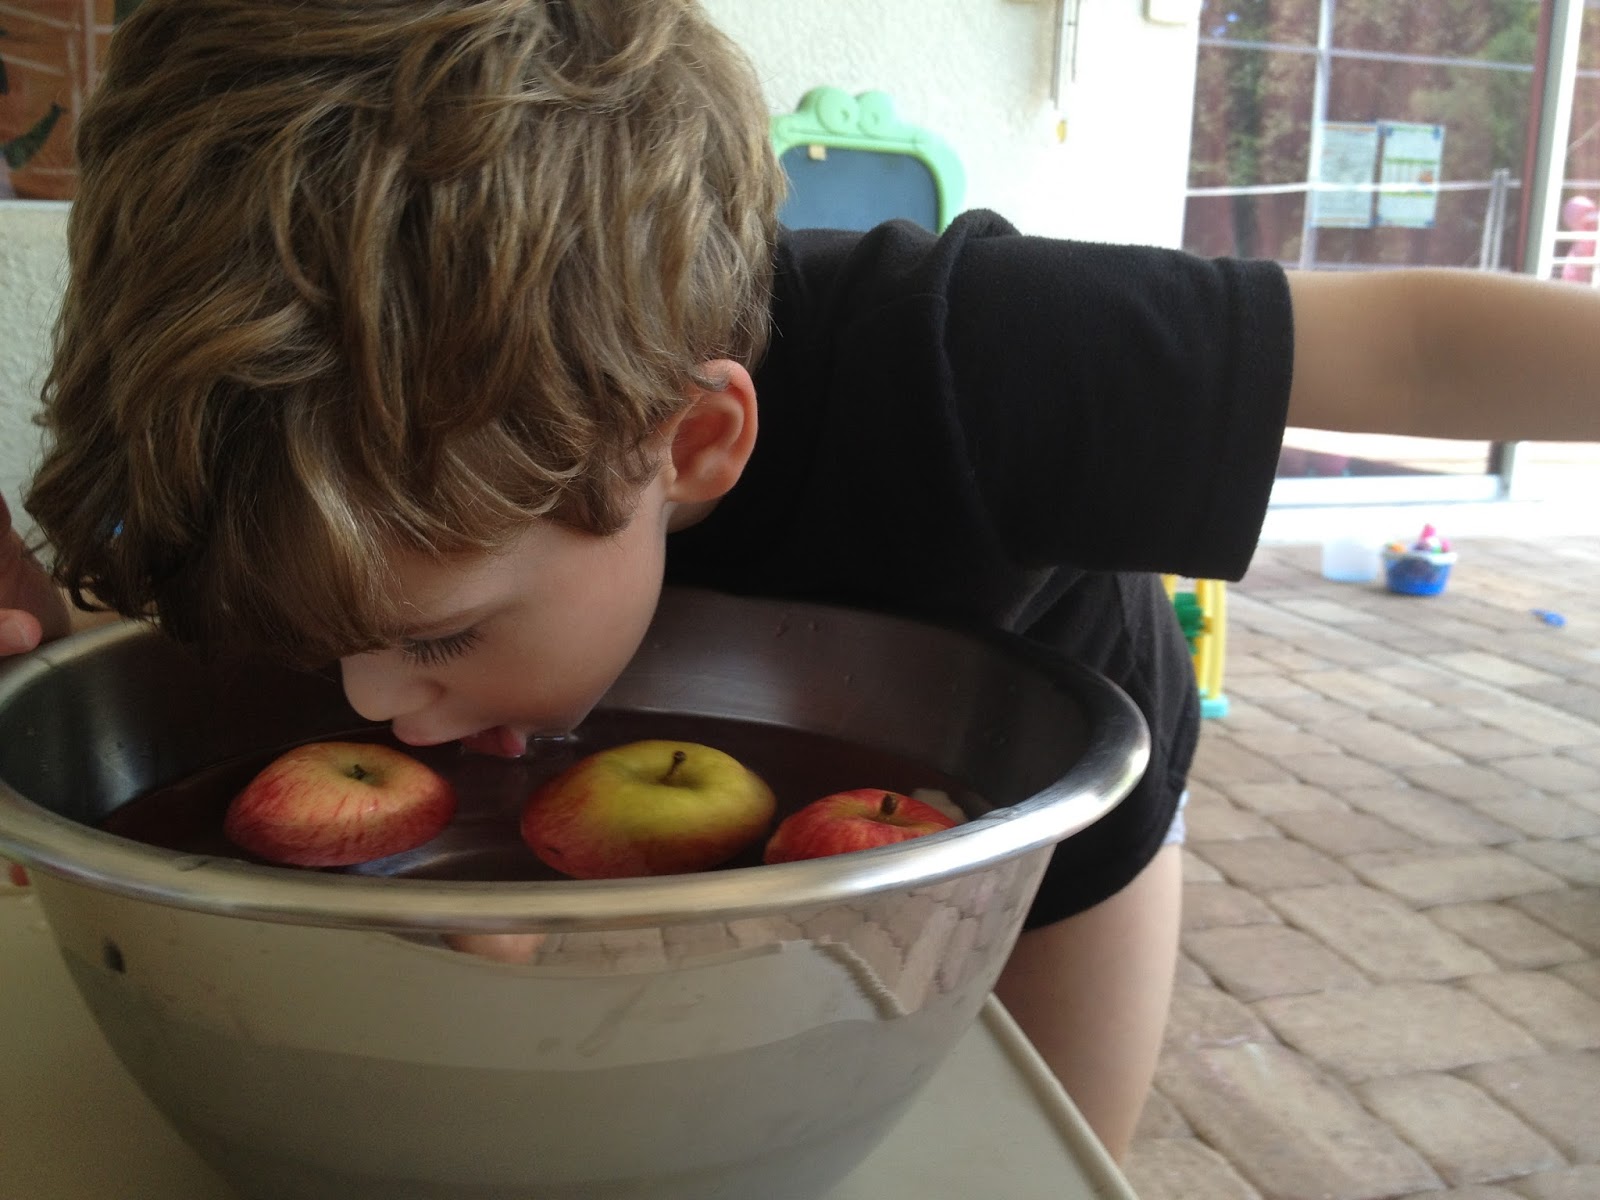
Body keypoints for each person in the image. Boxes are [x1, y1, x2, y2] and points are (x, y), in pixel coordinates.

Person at [4, 0, 1600, 1163]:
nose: (367, 702)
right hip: (630, 800)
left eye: (433, 635)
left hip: (1014, 799)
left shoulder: (972, 364)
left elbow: (1409, 344)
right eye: (321, 641)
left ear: (692, 442)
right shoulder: (257, 427)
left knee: (1019, 1157)